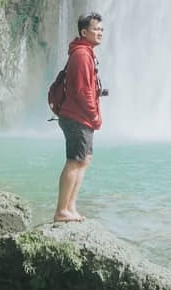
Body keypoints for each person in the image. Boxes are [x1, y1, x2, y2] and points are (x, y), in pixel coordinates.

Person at [53, 11, 104, 223]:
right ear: (84, 32)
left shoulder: (85, 53)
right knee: (74, 161)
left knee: (84, 160)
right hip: (78, 116)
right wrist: (95, 116)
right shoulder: (82, 55)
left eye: (102, 29)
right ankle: (62, 210)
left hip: (79, 116)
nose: (100, 32)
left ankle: (70, 207)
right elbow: (83, 92)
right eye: (96, 29)